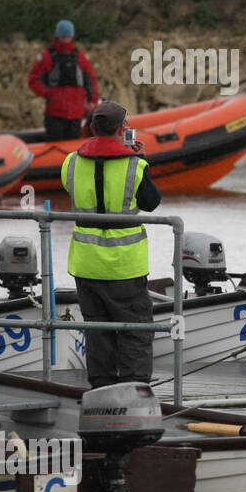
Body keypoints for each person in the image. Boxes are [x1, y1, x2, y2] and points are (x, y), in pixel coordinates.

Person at [60, 101, 162, 388]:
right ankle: (134, 389)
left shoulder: (71, 161)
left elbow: (71, 188)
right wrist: (141, 160)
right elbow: (152, 203)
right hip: (125, 264)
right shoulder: (135, 165)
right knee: (135, 331)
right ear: (122, 129)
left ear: (92, 128)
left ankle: (102, 389)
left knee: (97, 330)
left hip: (86, 262)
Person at [28, 19, 100, 140]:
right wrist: (48, 93)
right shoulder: (47, 57)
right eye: (63, 36)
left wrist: (92, 100)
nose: (66, 39)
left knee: (73, 146)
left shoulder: (80, 57)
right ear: (58, 36)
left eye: (68, 36)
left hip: (76, 113)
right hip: (55, 113)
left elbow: (91, 80)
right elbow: (33, 79)